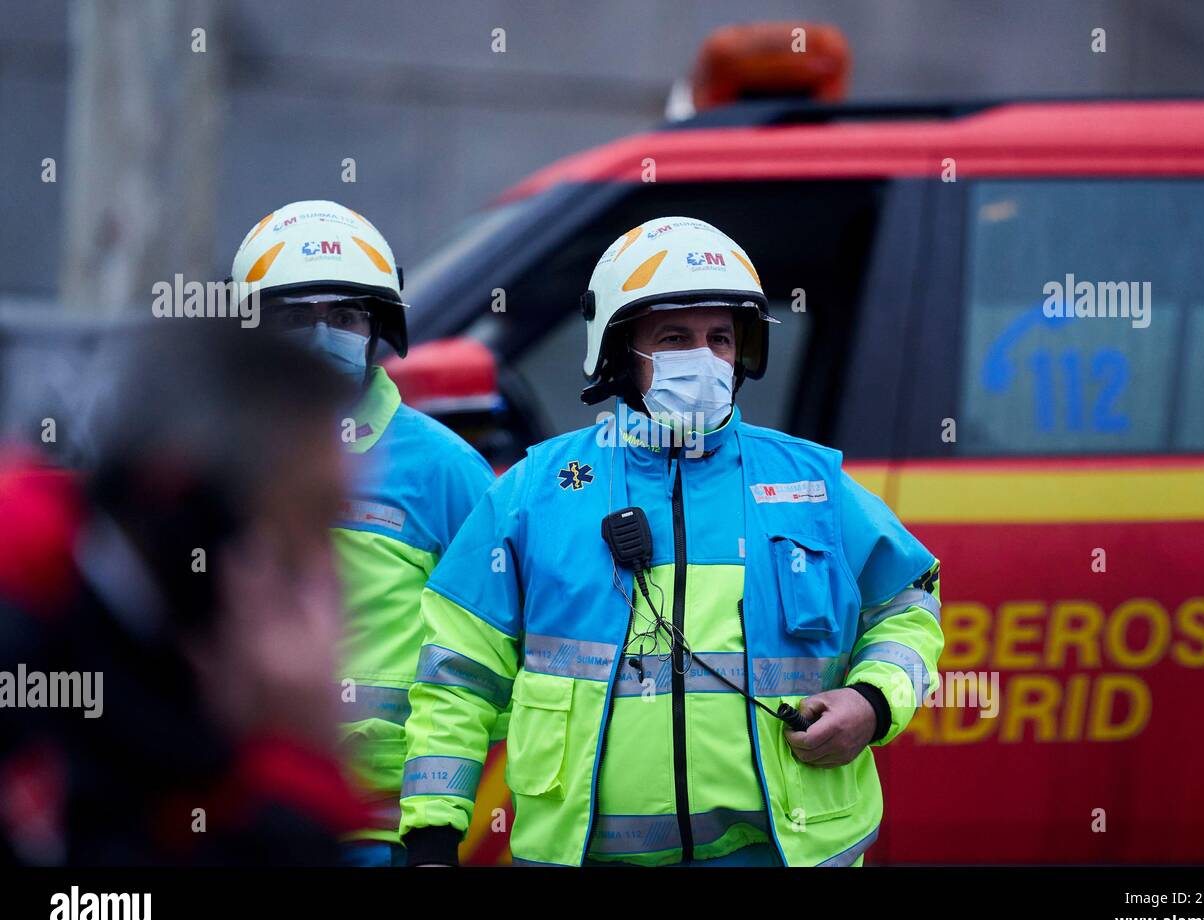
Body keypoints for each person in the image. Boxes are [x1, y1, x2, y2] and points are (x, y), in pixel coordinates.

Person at [399, 216, 944, 867]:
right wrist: (432, 833)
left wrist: (873, 701)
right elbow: (458, 673)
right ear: (619, 349)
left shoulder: (814, 484)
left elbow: (911, 603)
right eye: (675, 337)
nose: (704, 358)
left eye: (720, 337)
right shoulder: (535, 491)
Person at [0, 325, 367, 865]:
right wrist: (293, 769)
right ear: (190, 506)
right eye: (310, 519)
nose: (330, 574)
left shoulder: (157, 645)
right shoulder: (32, 666)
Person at [230, 201, 495, 865]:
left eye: (345, 317)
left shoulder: (445, 470)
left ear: (380, 328)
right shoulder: (213, 459)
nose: (325, 337)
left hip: (389, 832)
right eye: (297, 317)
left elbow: (497, 654)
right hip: (243, 817)